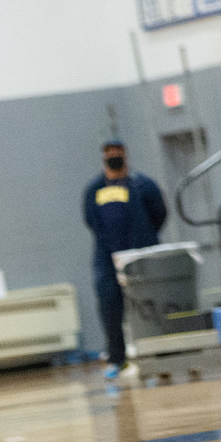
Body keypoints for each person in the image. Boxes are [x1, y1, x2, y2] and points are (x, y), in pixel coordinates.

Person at [82, 140, 167, 380]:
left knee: (151, 304)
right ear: (103, 157)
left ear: (125, 155)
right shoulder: (94, 189)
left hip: (141, 254)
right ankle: (117, 359)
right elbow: (89, 219)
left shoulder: (143, 184)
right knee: (109, 306)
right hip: (107, 257)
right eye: (109, 154)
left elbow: (159, 214)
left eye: (117, 153)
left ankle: (157, 354)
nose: (114, 157)